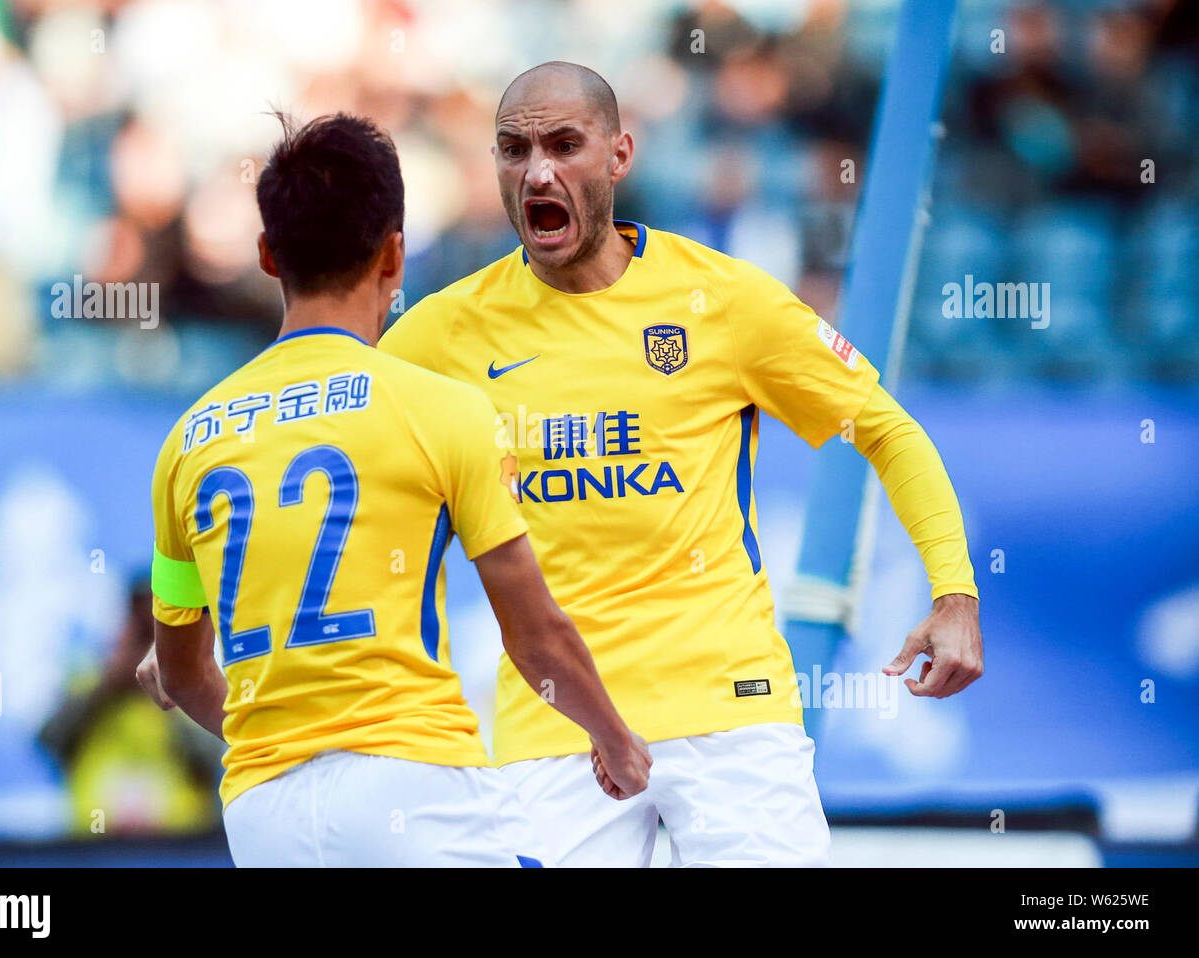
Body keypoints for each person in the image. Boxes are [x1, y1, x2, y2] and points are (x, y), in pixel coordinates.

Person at [378, 61, 983, 867]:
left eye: (565, 144)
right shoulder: (443, 332)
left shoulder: (725, 301)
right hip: (555, 722)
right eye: (513, 151)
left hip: (728, 707)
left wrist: (954, 593)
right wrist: (196, 602)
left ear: (621, 156)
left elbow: (886, 431)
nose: (538, 172)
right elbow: (334, 462)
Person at [140, 112, 650, 867]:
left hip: (261, 813)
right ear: (395, 254)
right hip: (413, 788)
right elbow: (536, 633)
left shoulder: (188, 439)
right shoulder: (439, 408)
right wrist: (615, 738)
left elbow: (179, 673)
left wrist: (274, 728)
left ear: (268, 256)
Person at [38, 576, 221, 836]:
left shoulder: (196, 680)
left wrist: (169, 686)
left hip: (180, 847)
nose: (147, 638)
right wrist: (109, 684)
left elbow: (213, 755)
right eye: (141, 628)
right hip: (95, 848)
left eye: (157, 628)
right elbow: (50, 740)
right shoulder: (87, 678)